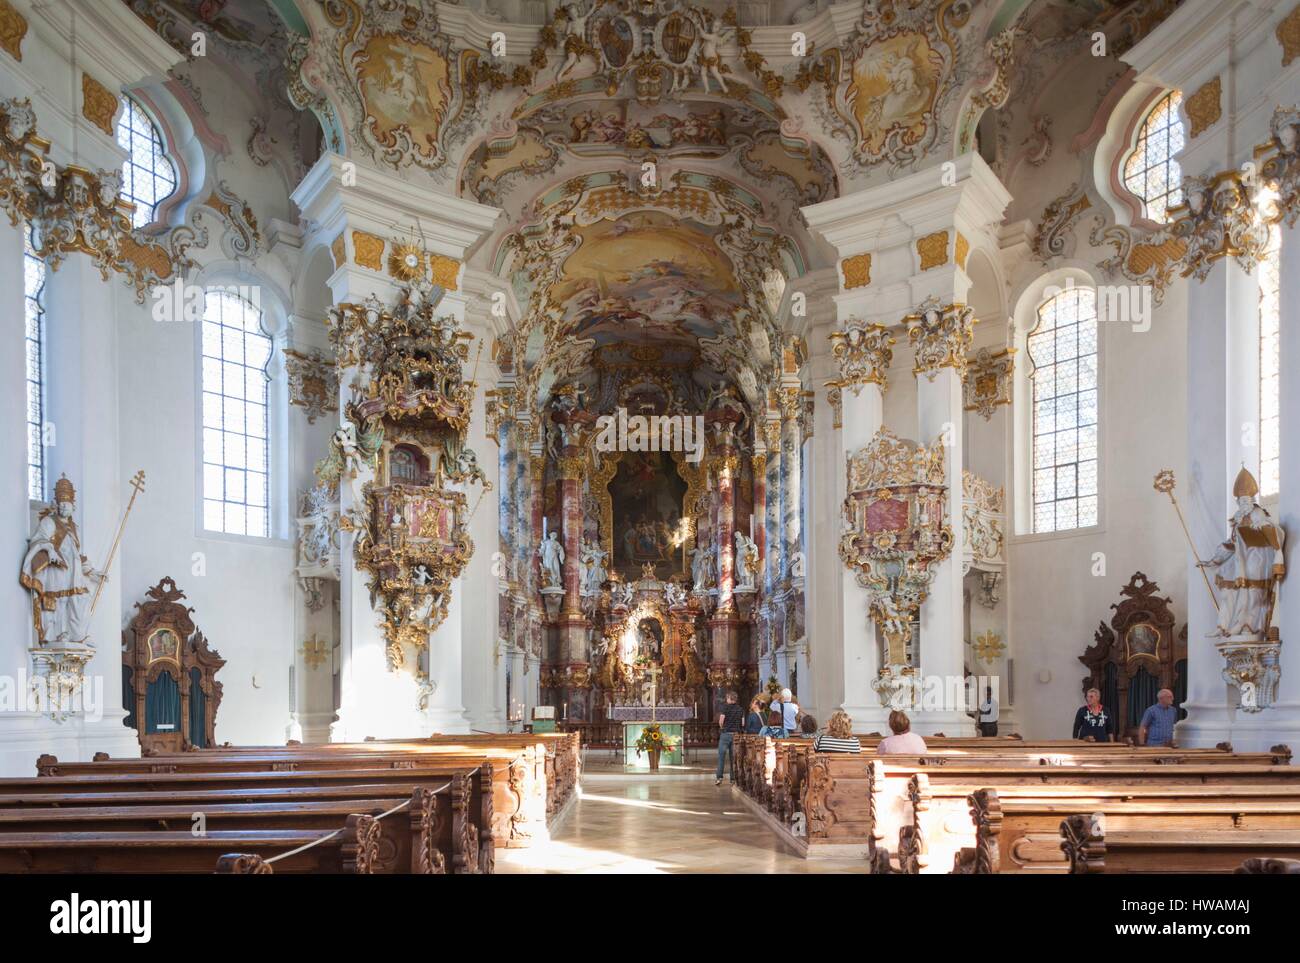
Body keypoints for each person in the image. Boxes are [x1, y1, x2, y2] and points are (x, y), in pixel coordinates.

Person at [716, 690, 744, 785]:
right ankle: (733, 779)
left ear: (729, 698)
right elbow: (742, 723)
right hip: (736, 735)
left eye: (727, 698)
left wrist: (722, 727)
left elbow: (721, 721)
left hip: (726, 734)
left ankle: (719, 778)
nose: (726, 699)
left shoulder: (725, 708)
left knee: (721, 757)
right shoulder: (740, 709)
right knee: (733, 758)